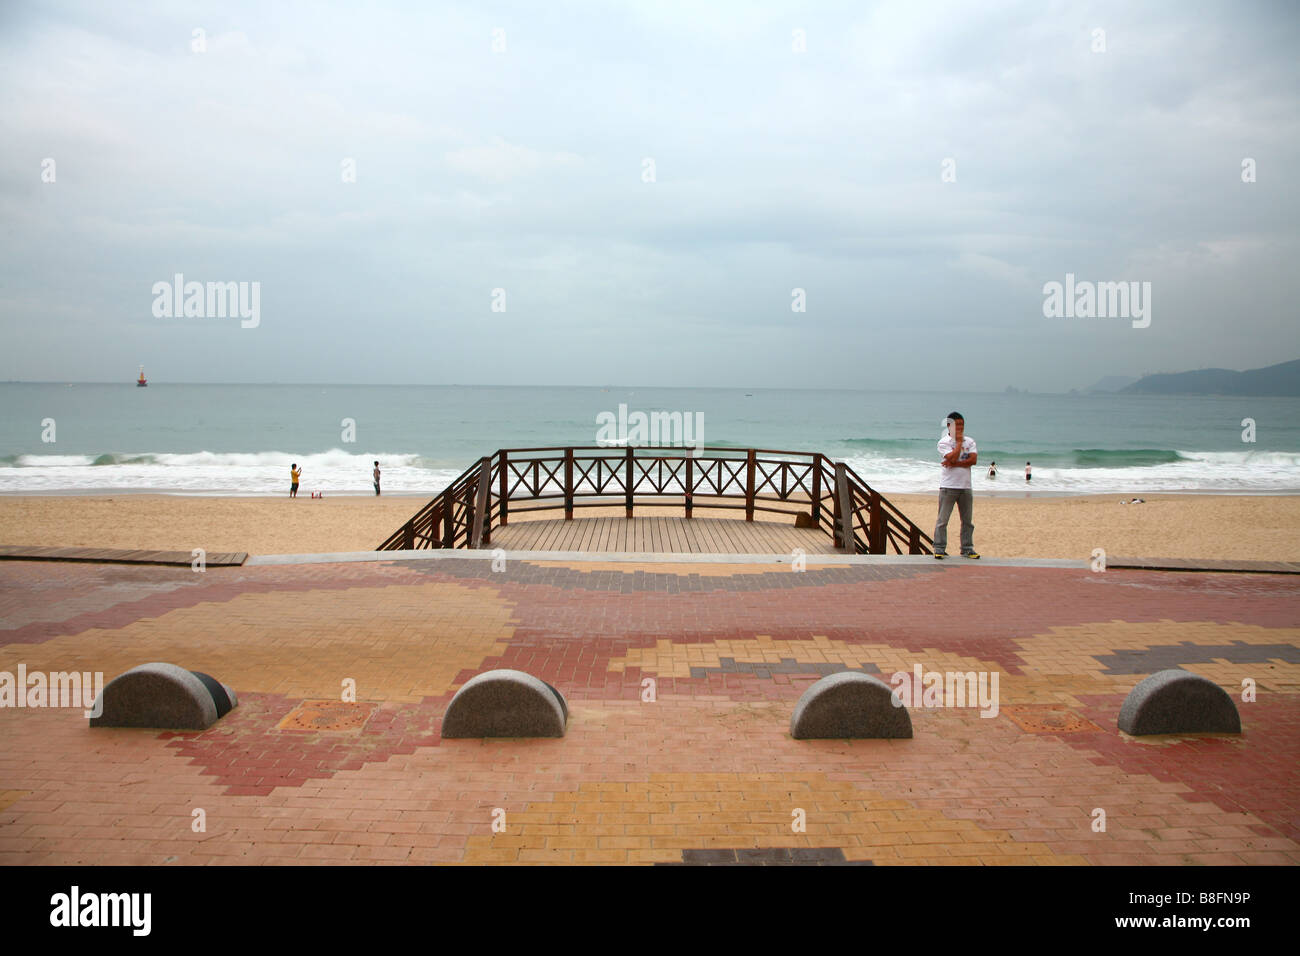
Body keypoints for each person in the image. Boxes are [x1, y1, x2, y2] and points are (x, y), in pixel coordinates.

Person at [934, 411, 979, 559]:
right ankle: (939, 548)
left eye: (962, 425)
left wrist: (954, 463)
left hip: (965, 486)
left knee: (967, 522)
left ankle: (967, 548)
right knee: (943, 520)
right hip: (948, 486)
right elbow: (951, 457)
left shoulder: (970, 441)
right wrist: (958, 444)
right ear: (949, 426)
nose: (960, 428)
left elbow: (973, 460)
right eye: (956, 425)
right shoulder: (944, 442)